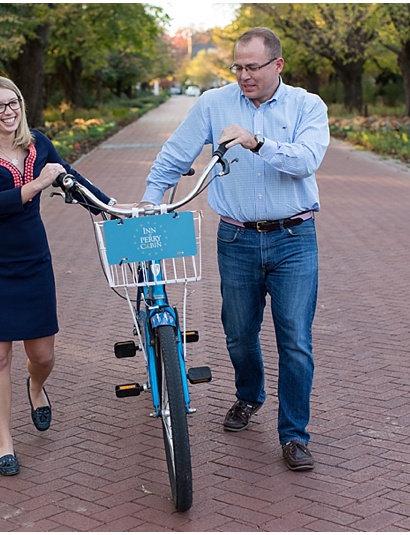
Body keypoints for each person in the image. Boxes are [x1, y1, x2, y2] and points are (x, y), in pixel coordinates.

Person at [140, 27, 329, 471]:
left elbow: (307, 160)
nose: (243, 75)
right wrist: (152, 202)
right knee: (238, 334)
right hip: (237, 238)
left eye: (253, 67)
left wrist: (257, 141)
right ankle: (249, 396)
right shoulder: (213, 104)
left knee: (296, 342)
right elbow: (173, 158)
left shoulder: (307, 105)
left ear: (277, 65)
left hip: (294, 239)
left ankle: (294, 436)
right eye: (238, 67)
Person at [0, 75, 118, 476]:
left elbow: (73, 180)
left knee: (42, 355)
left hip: (32, 259)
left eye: (13, 102)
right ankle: (4, 445)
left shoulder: (37, 142)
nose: (9, 110)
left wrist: (113, 207)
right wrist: (41, 182)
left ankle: (35, 386)